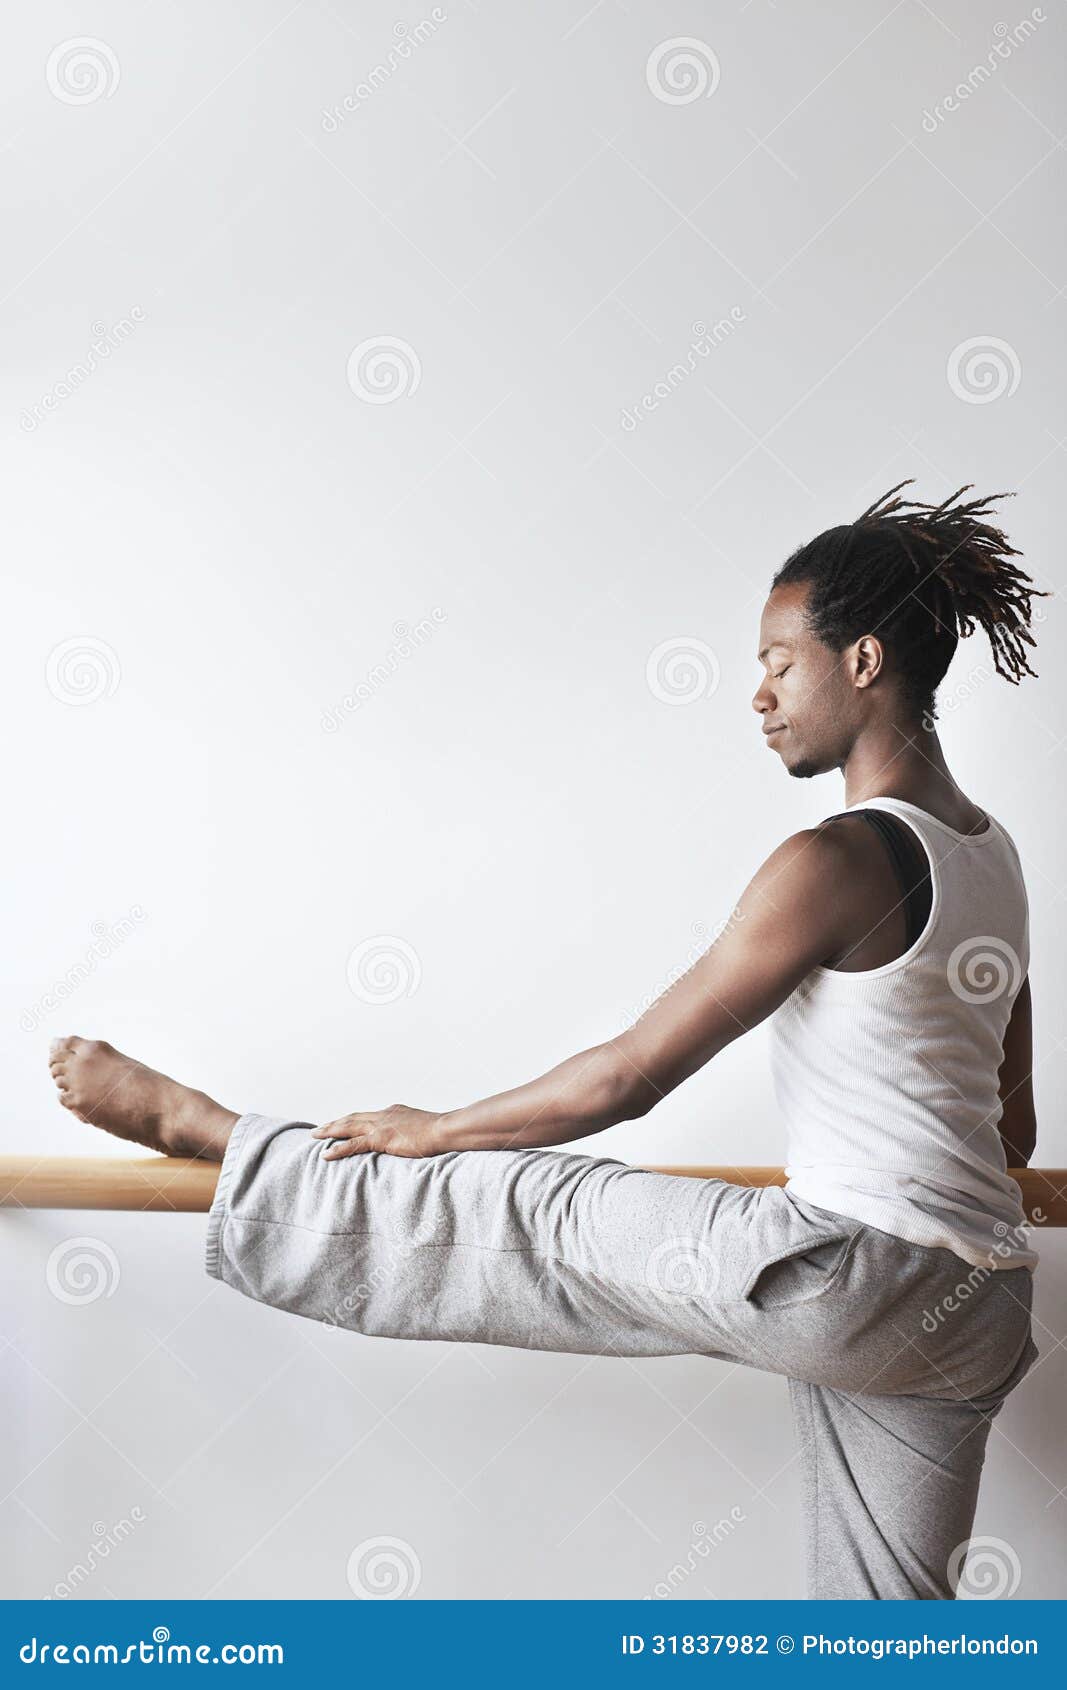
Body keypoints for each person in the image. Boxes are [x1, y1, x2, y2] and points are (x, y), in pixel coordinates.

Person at [48, 481, 1045, 1600]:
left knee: (522, 1205)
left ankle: (222, 1136)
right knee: (884, 1628)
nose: (756, 692)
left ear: (862, 661)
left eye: (777, 658)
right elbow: (1012, 1123)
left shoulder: (833, 860)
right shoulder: (991, 855)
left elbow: (626, 1077)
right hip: (979, 1310)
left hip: (856, 1278)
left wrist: (436, 1125)